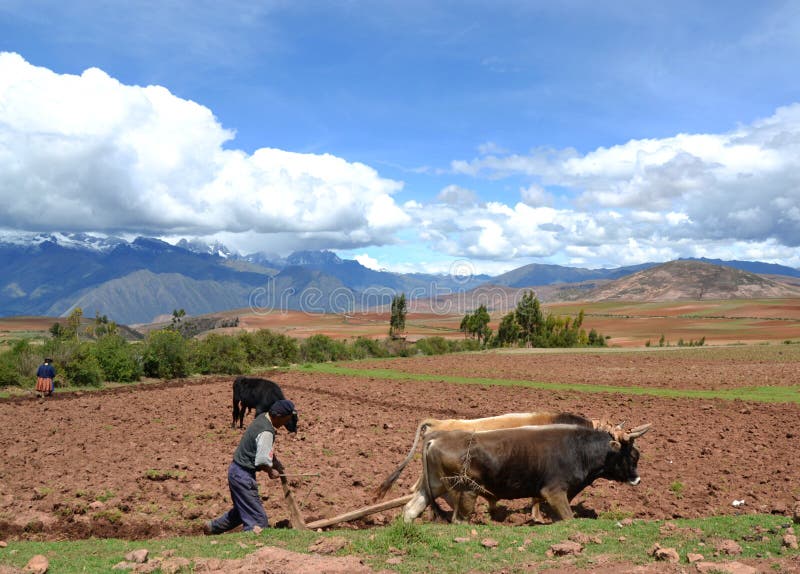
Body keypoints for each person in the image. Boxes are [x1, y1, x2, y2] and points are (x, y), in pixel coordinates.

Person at [205, 399, 298, 534]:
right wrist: (271, 471)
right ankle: (249, 546)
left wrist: (275, 462)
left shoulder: (263, 417)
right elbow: (261, 460)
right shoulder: (267, 432)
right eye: (285, 420)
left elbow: (262, 448)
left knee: (243, 509)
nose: (285, 424)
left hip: (236, 471)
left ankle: (212, 527)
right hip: (243, 476)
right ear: (278, 416)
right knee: (259, 522)